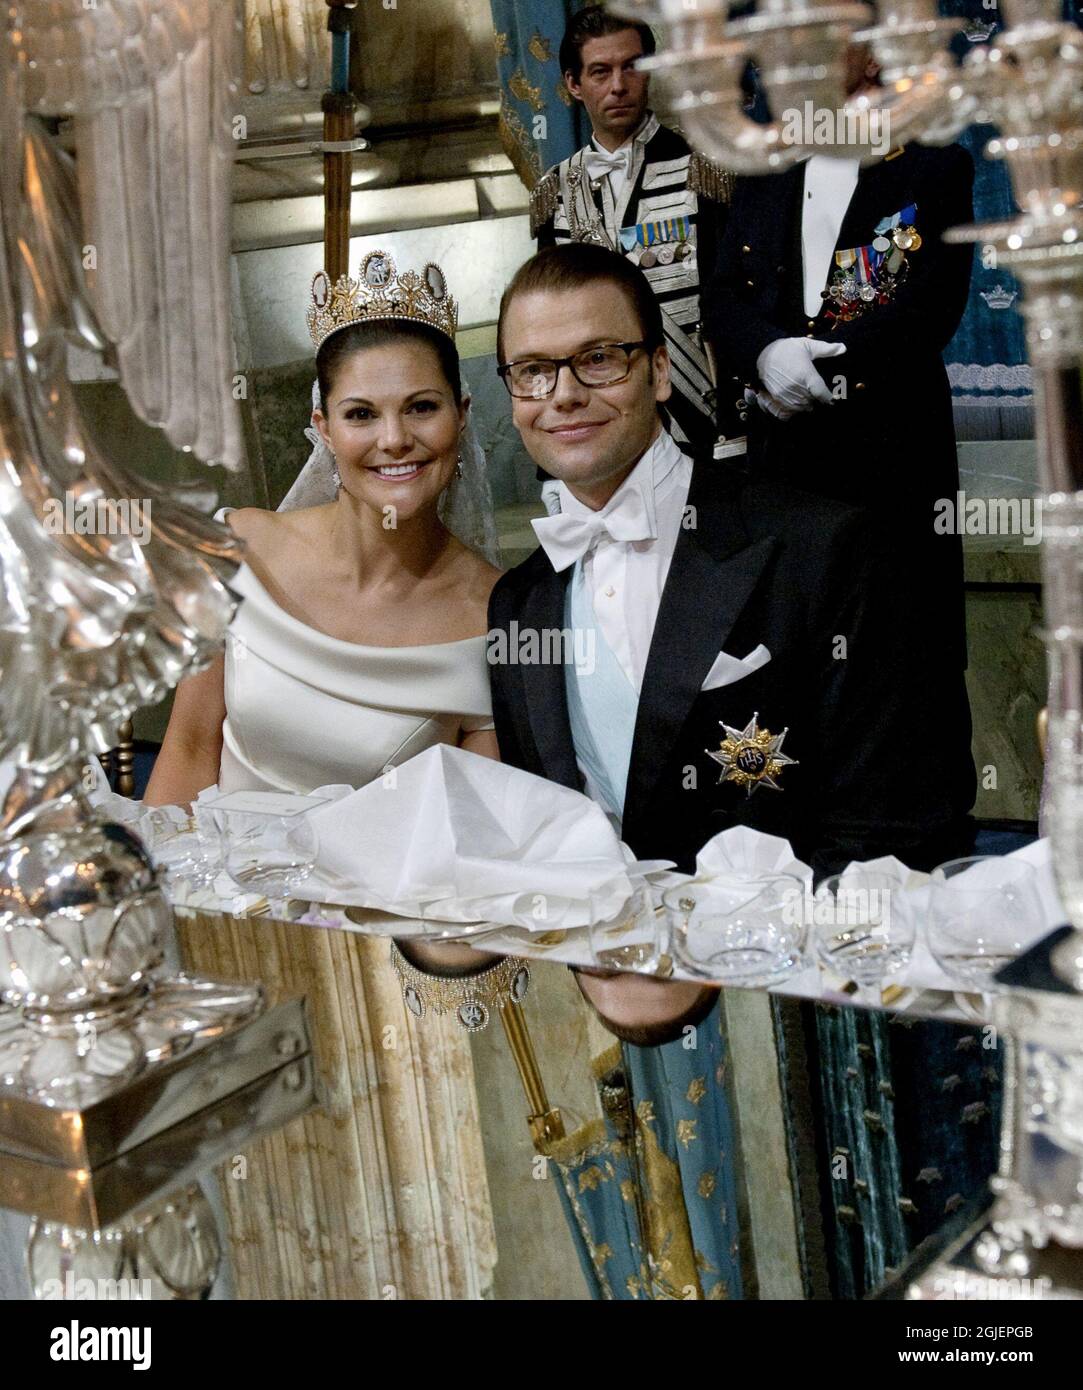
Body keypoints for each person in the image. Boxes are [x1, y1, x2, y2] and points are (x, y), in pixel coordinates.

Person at [484, 242, 978, 1298]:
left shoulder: (818, 540)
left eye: (598, 359)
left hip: (833, 1042)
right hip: (674, 1058)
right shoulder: (518, 604)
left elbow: (912, 813)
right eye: (531, 370)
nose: (561, 393)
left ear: (662, 370)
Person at [143, 251, 504, 1300]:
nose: (393, 439)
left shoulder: (501, 613)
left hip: (373, 981)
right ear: (319, 426)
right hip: (216, 946)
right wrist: (163, 973)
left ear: (461, 415)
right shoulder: (241, 551)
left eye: (420, 407)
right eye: (362, 414)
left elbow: (474, 835)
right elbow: (188, 749)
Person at [703, 46, 976, 818]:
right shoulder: (761, 167)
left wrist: (822, 368)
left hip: (891, 469)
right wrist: (764, 353)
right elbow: (722, 294)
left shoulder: (930, 166)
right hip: (786, 473)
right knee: (798, 666)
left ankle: (929, 850)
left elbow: (926, 310)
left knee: (908, 665)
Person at [531, 3, 743, 459]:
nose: (618, 86)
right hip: (598, 419)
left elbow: (731, 298)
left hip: (700, 414)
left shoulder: (701, 170)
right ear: (573, 84)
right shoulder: (556, 193)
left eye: (633, 67)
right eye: (600, 72)